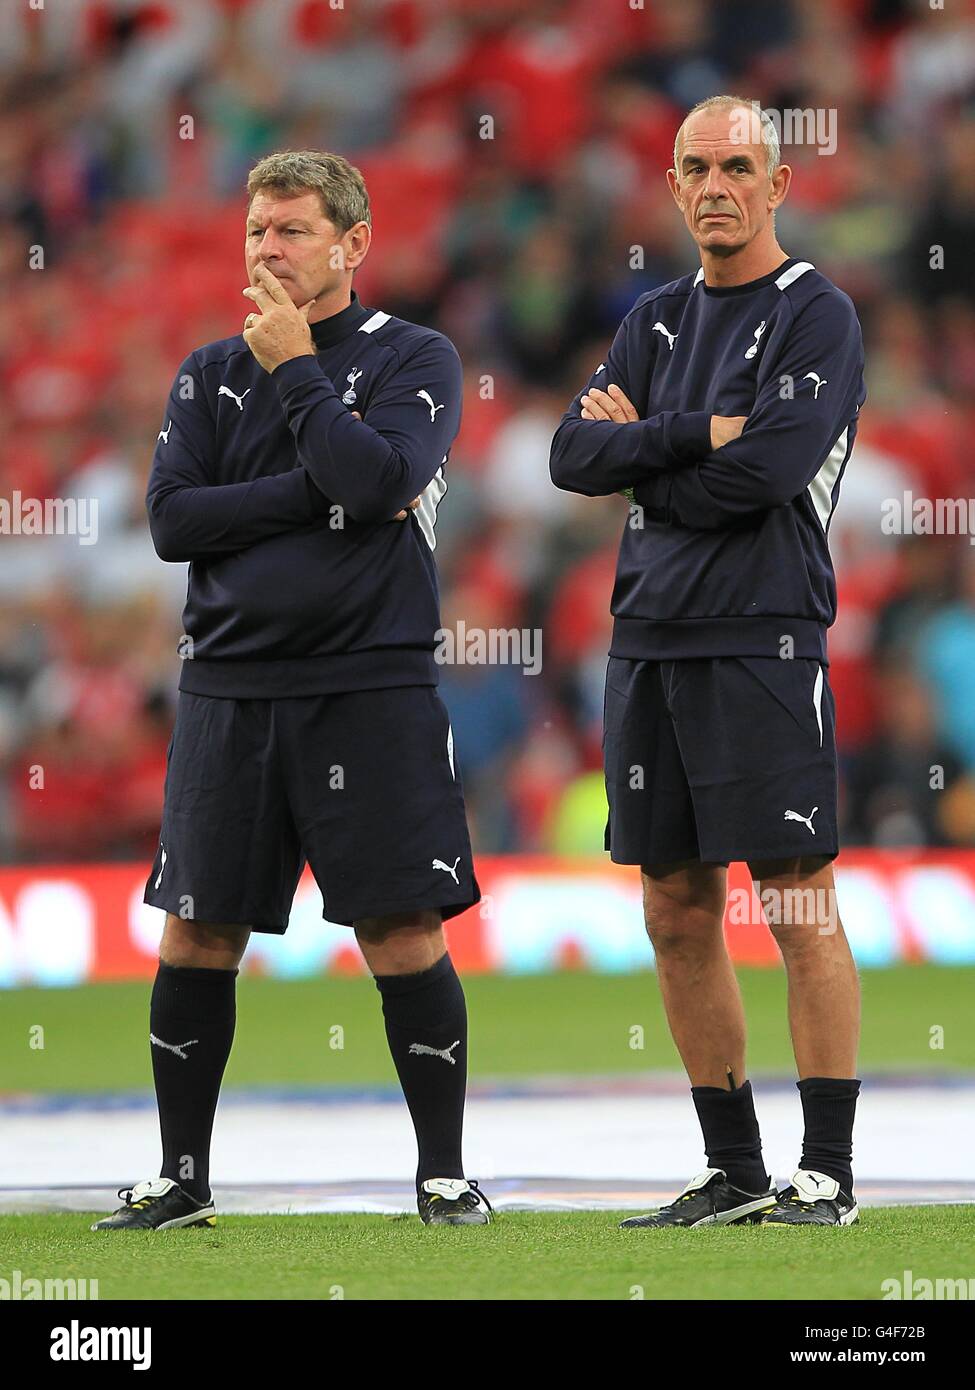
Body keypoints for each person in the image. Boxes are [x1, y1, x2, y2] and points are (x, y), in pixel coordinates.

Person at [92, 150, 490, 1231]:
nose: (267, 250)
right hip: (228, 684)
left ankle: (444, 1174)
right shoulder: (204, 370)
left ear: (352, 245)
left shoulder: (419, 355)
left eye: (292, 231)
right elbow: (177, 519)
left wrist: (297, 377)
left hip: (372, 682)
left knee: (403, 929)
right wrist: (317, 486)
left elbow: (378, 480)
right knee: (197, 931)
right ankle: (180, 1175)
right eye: (257, 230)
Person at [551, 96, 866, 1228]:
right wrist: (691, 435)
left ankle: (824, 1170)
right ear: (674, 186)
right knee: (676, 908)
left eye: (740, 165)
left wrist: (644, 461)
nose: (717, 184)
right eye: (697, 167)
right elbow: (569, 452)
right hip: (648, 643)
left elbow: (770, 472)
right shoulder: (657, 316)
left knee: (797, 901)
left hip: (765, 634)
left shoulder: (817, 313)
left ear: (778, 186)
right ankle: (734, 1169)